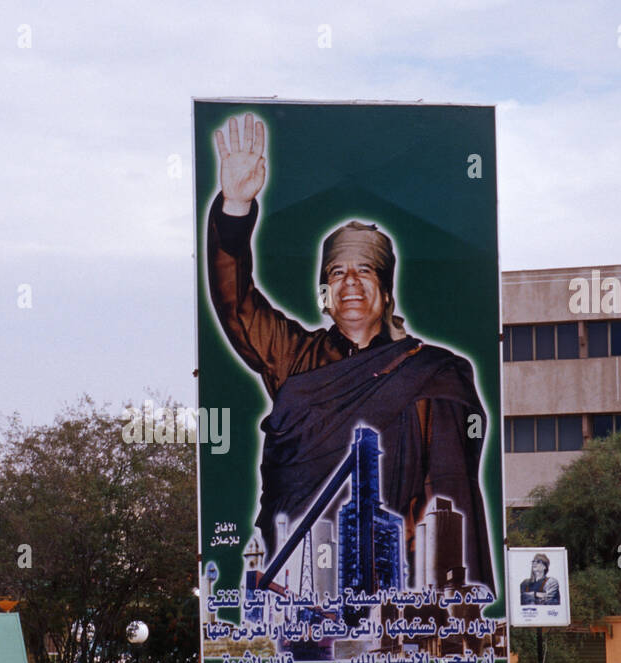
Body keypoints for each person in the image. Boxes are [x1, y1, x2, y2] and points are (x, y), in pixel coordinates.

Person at [207, 113, 494, 592]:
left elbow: (447, 486)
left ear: (385, 289)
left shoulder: (436, 373)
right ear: (325, 291)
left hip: (396, 584)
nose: (351, 283)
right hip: (295, 580)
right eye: (337, 273)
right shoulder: (294, 355)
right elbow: (237, 305)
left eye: (365, 271)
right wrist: (236, 206)